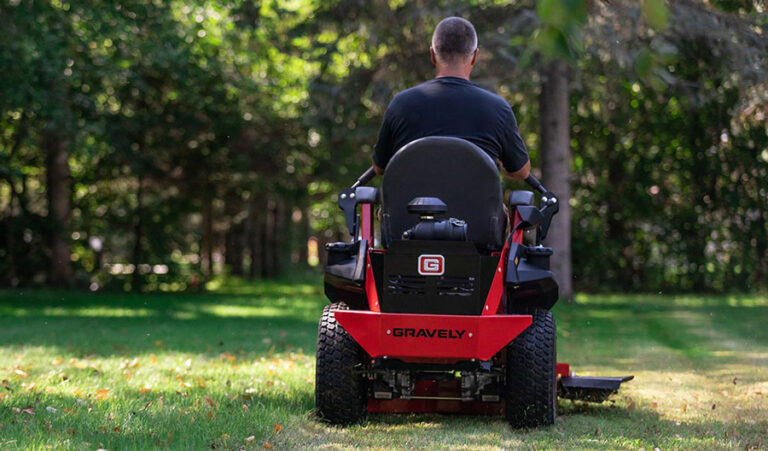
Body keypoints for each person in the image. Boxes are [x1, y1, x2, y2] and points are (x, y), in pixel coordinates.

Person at [372, 16, 530, 181]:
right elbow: (522, 171)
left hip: (410, 207)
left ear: (432, 54)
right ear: (475, 56)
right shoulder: (498, 109)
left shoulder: (401, 104)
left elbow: (379, 166)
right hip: (476, 207)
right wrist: (500, 163)